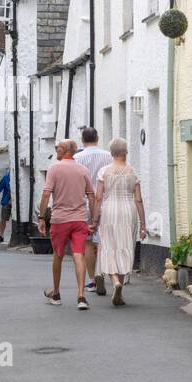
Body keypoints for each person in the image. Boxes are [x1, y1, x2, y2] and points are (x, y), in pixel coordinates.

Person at [37, 139, 96, 310]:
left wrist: (41, 218)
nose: (56, 150)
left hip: (60, 220)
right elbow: (91, 196)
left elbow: (46, 194)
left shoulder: (54, 168)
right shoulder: (83, 170)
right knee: (79, 254)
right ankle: (81, 296)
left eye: (57, 148)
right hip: (79, 220)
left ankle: (56, 293)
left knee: (58, 255)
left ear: (63, 150)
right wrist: (92, 220)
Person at [92, 138, 147, 307]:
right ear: (126, 152)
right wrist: (143, 225)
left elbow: (99, 197)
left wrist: (94, 219)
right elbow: (138, 200)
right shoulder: (133, 172)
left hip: (109, 211)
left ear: (111, 153)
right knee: (125, 247)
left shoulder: (104, 171)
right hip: (128, 210)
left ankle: (114, 281)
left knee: (109, 247)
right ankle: (120, 288)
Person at [73, 127, 112, 295]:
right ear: (98, 137)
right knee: (105, 241)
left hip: (85, 203)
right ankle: (103, 272)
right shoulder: (109, 156)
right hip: (106, 201)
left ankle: (93, 280)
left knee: (87, 242)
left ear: (82, 140)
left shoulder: (77, 158)